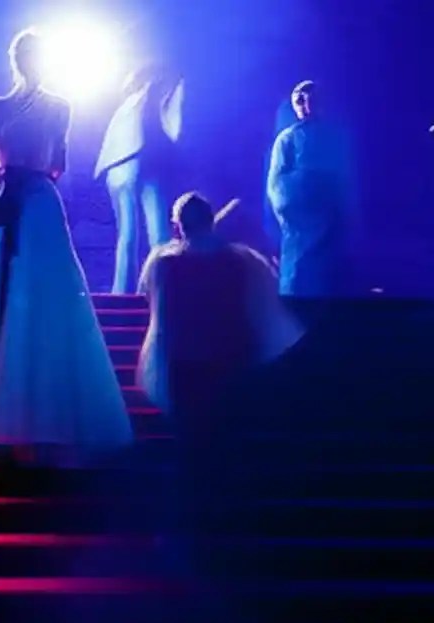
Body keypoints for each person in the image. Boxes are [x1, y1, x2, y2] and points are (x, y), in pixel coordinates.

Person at [0, 29, 134, 467]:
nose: (27, 62)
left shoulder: (11, 107)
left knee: (26, 301)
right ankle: (25, 424)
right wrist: (25, 175)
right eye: (26, 55)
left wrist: (12, 173)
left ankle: (20, 425)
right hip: (28, 198)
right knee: (15, 300)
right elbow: (54, 163)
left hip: (19, 197)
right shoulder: (40, 107)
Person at [137, 192, 304, 445]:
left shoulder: (164, 264)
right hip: (231, 361)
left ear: (177, 225)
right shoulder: (243, 260)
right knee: (230, 443)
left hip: (185, 365)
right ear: (211, 219)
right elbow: (263, 310)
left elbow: (156, 314)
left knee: (191, 444)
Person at [95, 64, 185, 294]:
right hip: (141, 163)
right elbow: (173, 127)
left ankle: (121, 291)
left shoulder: (124, 107)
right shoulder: (153, 92)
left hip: (114, 171)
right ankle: (163, 290)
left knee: (126, 235)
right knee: (159, 236)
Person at [267, 80, 359, 296]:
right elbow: (276, 185)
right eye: (300, 100)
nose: (306, 104)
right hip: (298, 232)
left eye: (311, 98)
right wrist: (307, 185)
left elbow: (346, 179)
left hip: (332, 227)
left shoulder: (336, 137)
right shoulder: (286, 140)